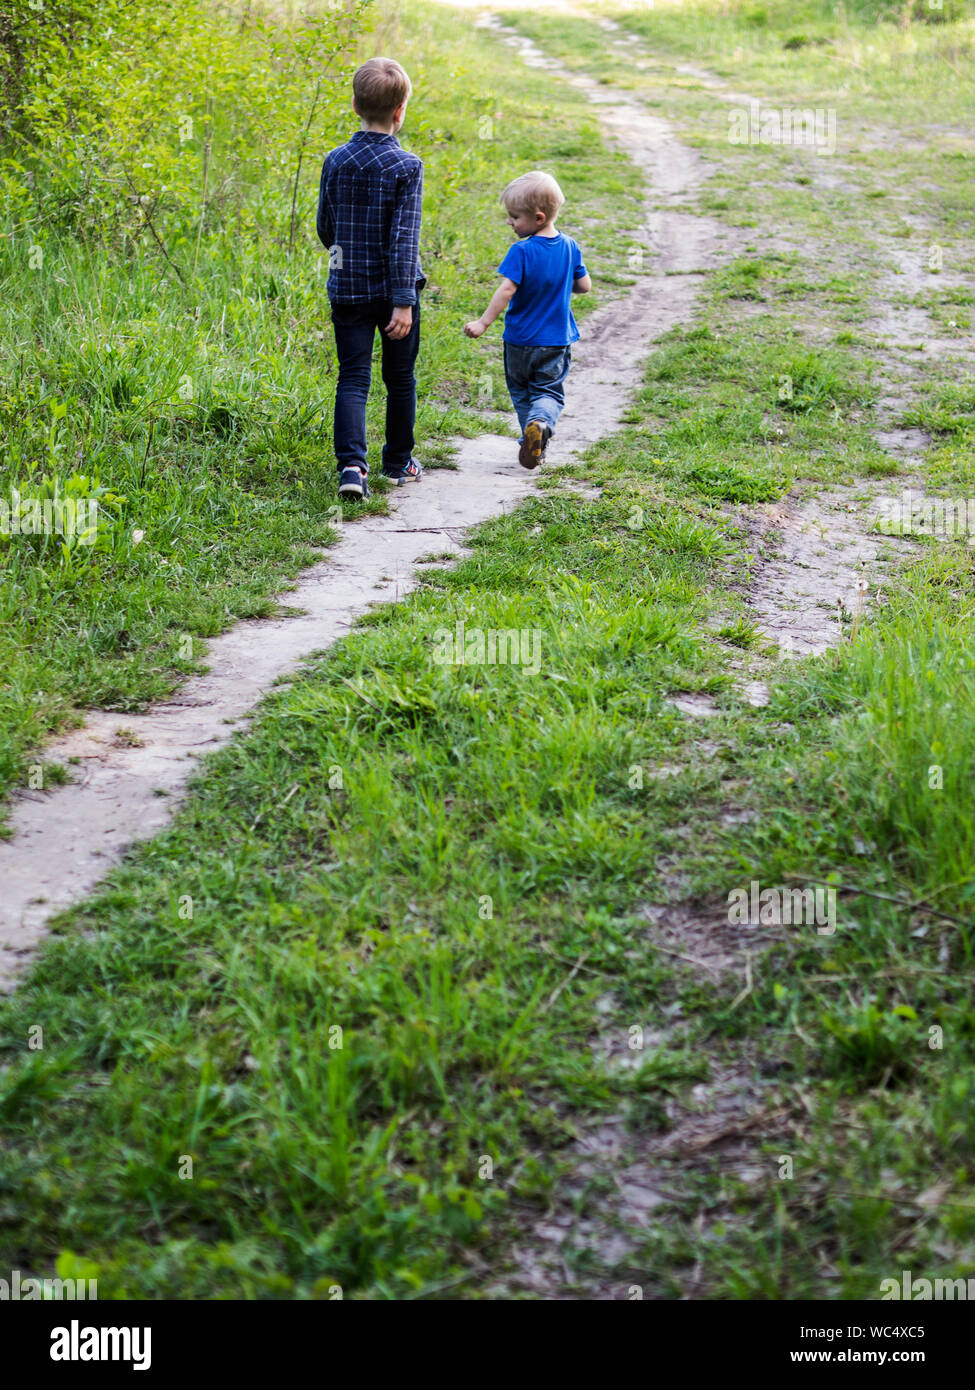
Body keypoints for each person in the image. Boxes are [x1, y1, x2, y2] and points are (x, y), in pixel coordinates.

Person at [317, 57, 426, 499]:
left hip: (347, 288)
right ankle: (398, 462)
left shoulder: (335, 160)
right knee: (399, 378)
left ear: (354, 105)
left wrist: (346, 254)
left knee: (353, 377)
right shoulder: (407, 166)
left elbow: (327, 227)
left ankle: (352, 468)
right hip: (394, 293)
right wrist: (403, 299)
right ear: (400, 111)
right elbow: (404, 239)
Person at [464, 170, 591, 469]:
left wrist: (483, 323)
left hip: (520, 341)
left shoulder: (521, 250)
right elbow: (585, 286)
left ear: (537, 217)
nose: (510, 222)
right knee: (548, 392)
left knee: (522, 393)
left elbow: (507, 289)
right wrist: (559, 280)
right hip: (556, 340)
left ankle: (531, 436)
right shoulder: (570, 247)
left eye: (514, 217)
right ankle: (540, 424)